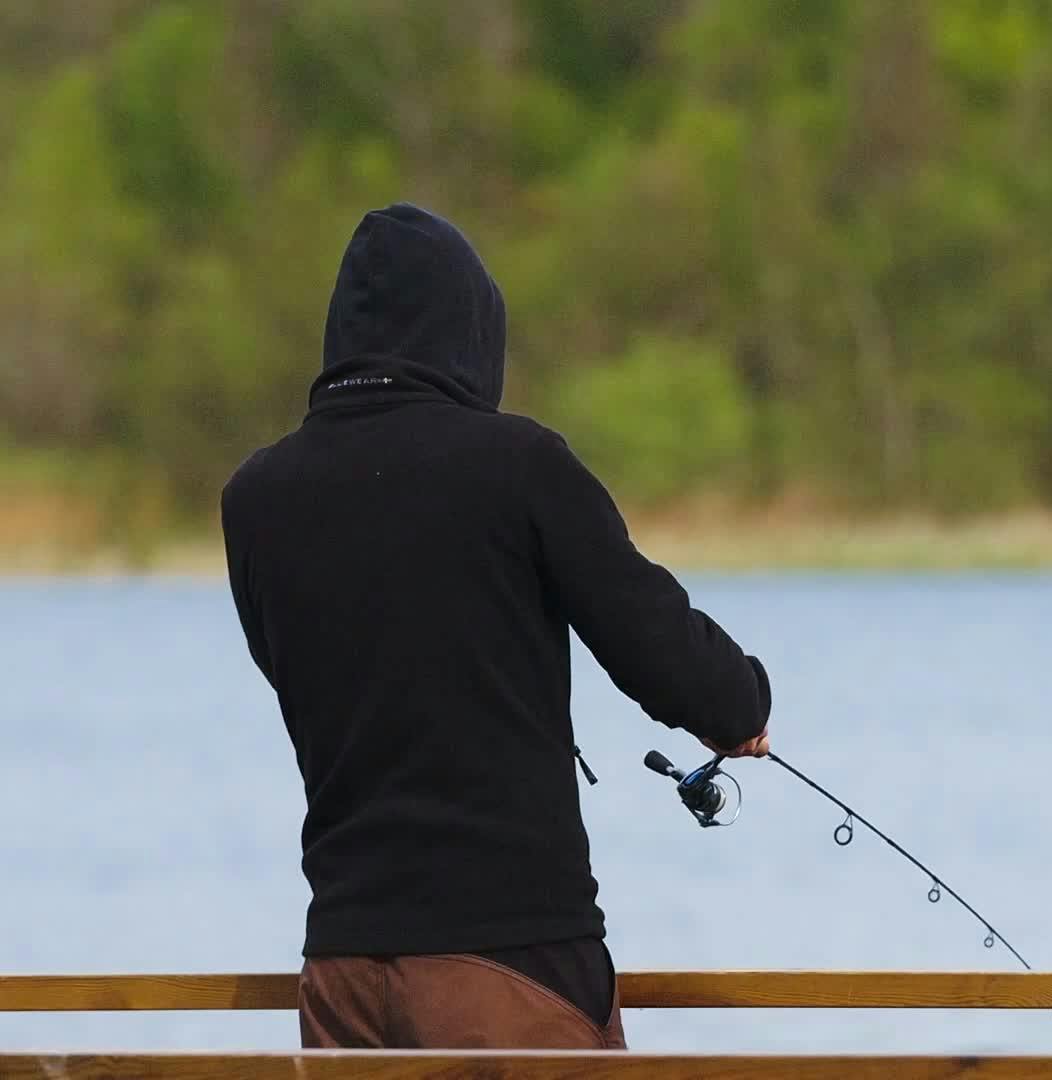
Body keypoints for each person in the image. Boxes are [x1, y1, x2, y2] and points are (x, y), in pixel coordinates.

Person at [220, 203, 773, 1050]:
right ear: (470, 333)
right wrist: (743, 708)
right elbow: (658, 647)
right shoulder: (519, 466)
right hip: (510, 961)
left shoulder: (253, 500)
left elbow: (295, 668)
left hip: (340, 973)